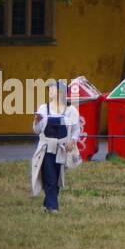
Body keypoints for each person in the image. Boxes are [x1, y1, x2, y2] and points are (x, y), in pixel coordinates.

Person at [30, 80, 82, 215]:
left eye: (54, 89)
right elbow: (37, 130)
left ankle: (47, 205)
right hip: (46, 148)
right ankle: (54, 208)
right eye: (51, 89)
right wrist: (36, 122)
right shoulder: (43, 109)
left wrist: (72, 141)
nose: (51, 92)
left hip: (62, 149)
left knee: (58, 178)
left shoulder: (71, 111)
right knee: (49, 176)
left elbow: (77, 129)